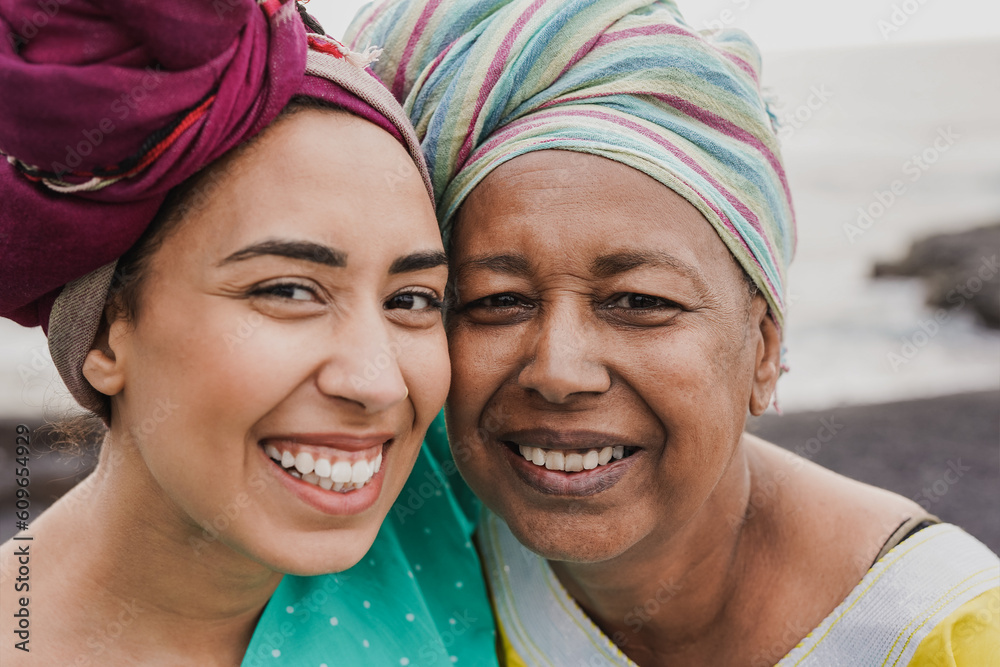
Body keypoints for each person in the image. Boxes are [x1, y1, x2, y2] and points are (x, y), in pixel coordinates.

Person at [348, 1, 1000, 665]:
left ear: (766, 348)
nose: (558, 370)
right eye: (498, 300)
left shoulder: (937, 635)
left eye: (639, 300)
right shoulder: (419, 557)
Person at [0, 1, 495, 664]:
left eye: (410, 299)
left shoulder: (464, 505)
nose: (376, 383)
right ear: (105, 339)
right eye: (288, 291)